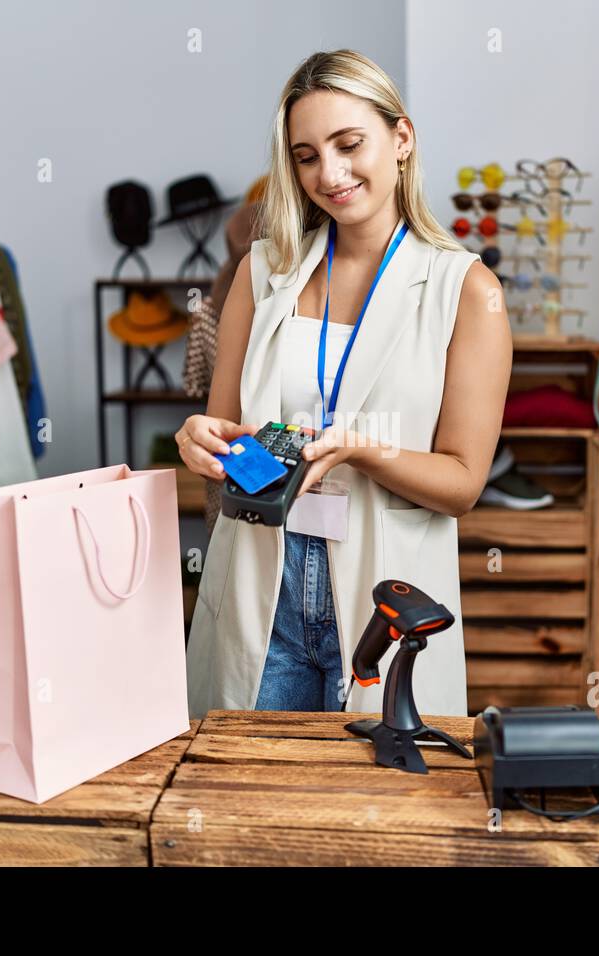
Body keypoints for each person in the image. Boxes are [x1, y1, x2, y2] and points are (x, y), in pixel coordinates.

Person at [179, 49, 511, 719]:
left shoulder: (465, 291)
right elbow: (226, 445)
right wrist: (201, 442)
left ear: (402, 139)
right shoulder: (263, 271)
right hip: (259, 585)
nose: (329, 173)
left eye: (348, 144)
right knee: (244, 798)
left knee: (373, 808)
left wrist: (362, 450)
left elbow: (463, 481)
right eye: (305, 156)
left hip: (381, 601)